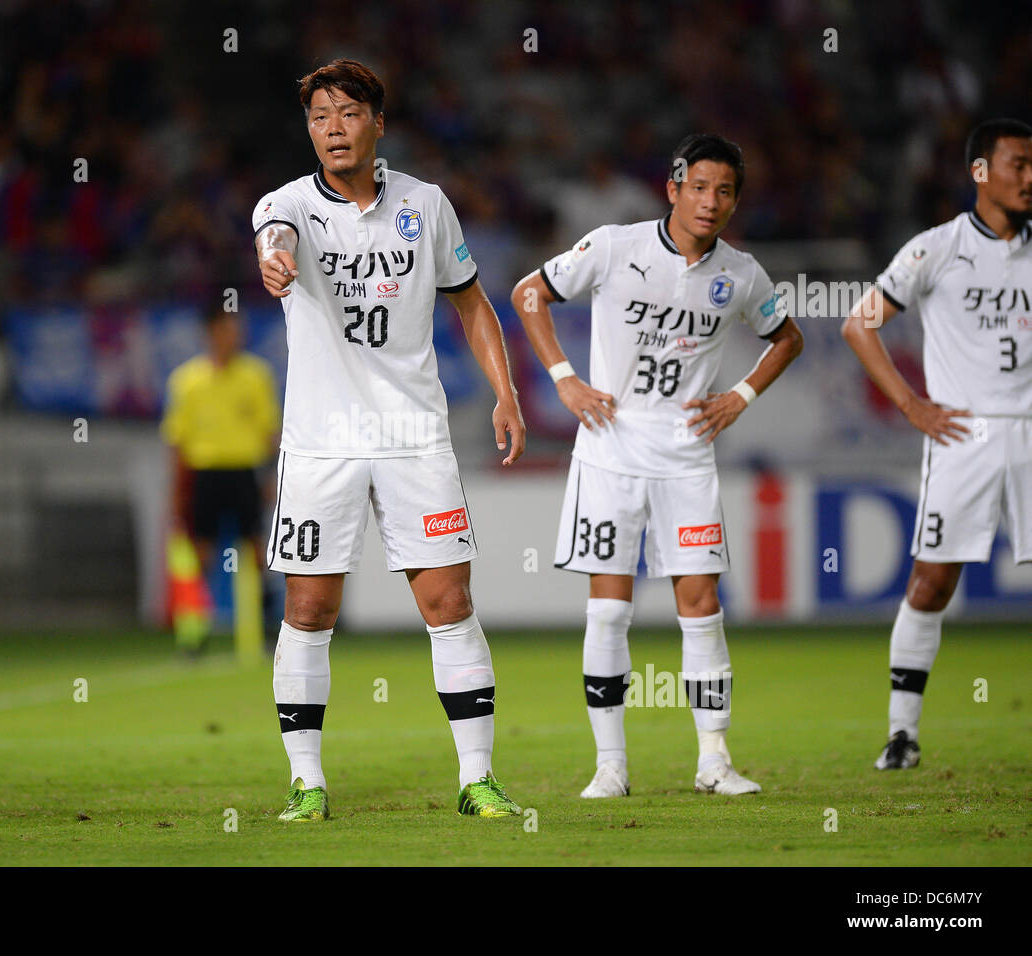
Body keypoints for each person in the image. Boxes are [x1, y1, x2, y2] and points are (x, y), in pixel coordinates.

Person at [253, 58, 527, 821]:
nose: (333, 129)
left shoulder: (426, 204)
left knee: (450, 600)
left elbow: (472, 303)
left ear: (377, 122)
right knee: (309, 608)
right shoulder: (286, 205)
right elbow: (273, 236)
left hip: (413, 437)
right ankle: (307, 783)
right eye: (319, 117)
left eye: (347, 114)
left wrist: (506, 391)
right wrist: (274, 259)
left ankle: (478, 779)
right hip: (321, 442)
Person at [511, 134, 804, 799]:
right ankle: (610, 766)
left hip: (686, 456)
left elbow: (788, 338)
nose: (710, 201)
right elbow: (530, 294)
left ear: (735, 201)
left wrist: (740, 395)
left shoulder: (741, 274)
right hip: (610, 449)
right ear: (673, 189)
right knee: (609, 610)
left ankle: (714, 761)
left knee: (702, 607)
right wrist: (564, 379)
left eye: (724, 191)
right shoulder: (615, 246)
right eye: (699, 187)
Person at [840, 118, 1032, 770]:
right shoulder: (937, 248)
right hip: (963, 435)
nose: (1029, 177)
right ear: (981, 171)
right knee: (931, 583)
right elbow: (859, 324)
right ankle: (902, 733)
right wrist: (910, 404)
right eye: (1018, 164)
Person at [162, 307, 279, 648]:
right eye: (227, 330)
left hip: (244, 472)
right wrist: (178, 489)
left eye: (237, 330)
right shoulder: (187, 380)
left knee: (256, 550)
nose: (235, 337)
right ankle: (195, 632)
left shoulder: (256, 375)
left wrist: (270, 476)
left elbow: (269, 432)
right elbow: (177, 440)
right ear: (211, 333)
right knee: (202, 553)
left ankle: (267, 627)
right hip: (205, 474)